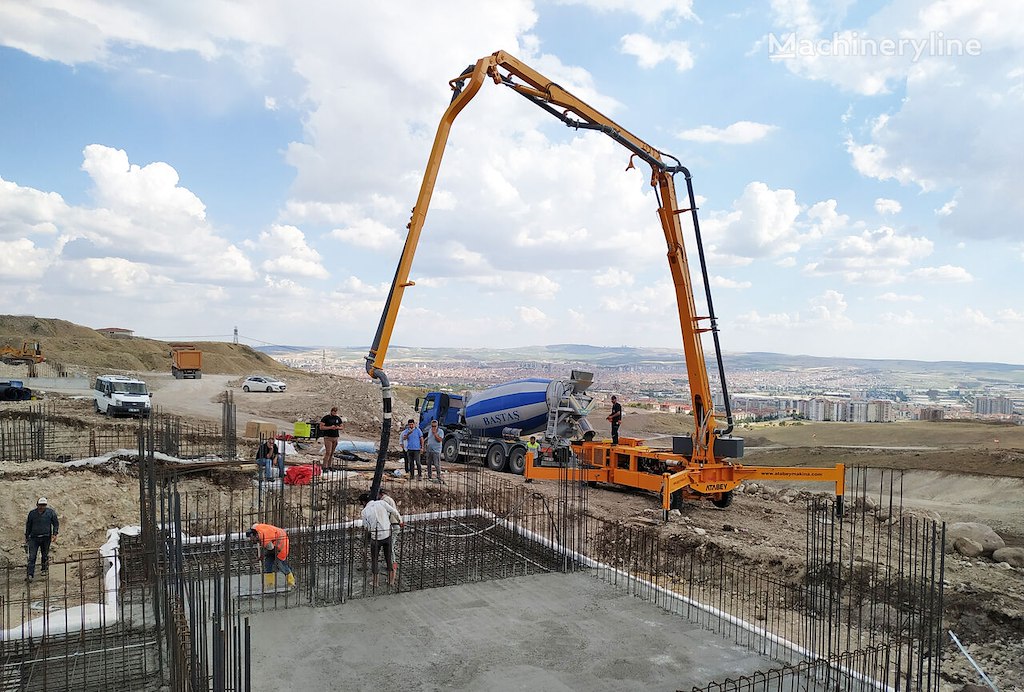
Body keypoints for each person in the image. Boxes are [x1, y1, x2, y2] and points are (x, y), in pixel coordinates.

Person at [360, 492, 404, 587]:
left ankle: (375, 582)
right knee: (389, 558)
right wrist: (400, 521)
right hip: (387, 535)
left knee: (375, 560)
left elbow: (366, 527)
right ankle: (391, 580)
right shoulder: (381, 503)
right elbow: (394, 511)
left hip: (376, 539)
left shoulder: (364, 512)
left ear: (364, 502)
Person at [246, 523, 295, 590]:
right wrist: (262, 557)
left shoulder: (266, 540)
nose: (251, 540)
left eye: (252, 538)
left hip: (282, 543)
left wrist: (262, 557)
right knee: (268, 564)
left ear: (256, 535)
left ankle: (291, 582)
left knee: (281, 564)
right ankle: (270, 584)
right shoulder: (256, 528)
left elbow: (272, 550)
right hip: (274, 539)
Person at [25, 497, 59, 582]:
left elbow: (55, 523)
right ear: (37, 505)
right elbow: (28, 525)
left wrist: (55, 534)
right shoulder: (32, 514)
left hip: (46, 537)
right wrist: (26, 537)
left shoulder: (50, 513)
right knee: (32, 556)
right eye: (40, 505)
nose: (42, 507)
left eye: (44, 505)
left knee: (45, 554)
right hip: (34, 538)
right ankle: (30, 574)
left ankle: (44, 569)